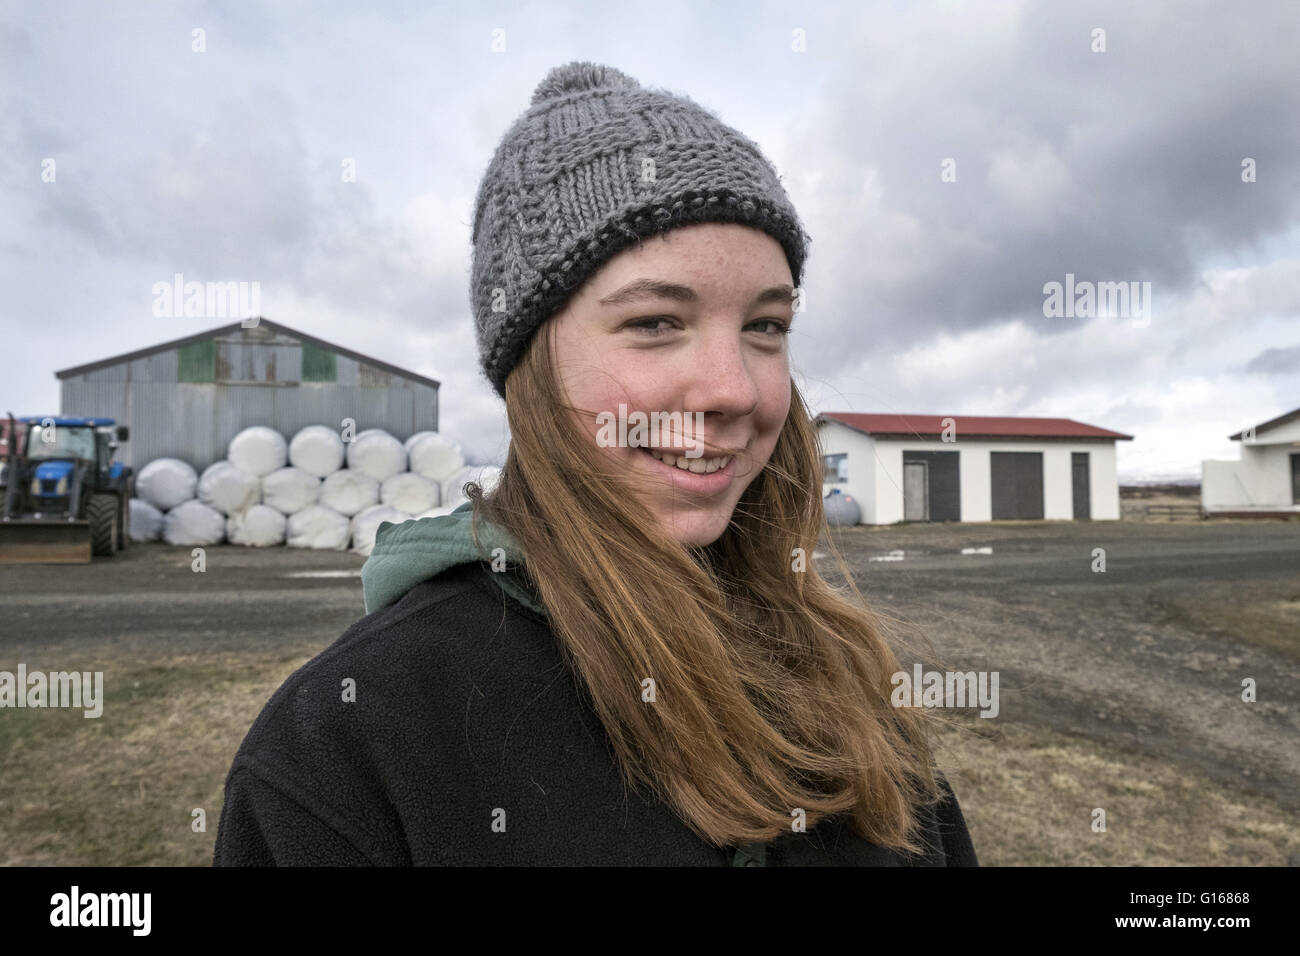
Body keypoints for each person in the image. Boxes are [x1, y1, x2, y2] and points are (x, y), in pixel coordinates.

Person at [213, 60, 978, 866]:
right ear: (531, 366)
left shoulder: (841, 678)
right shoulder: (348, 748)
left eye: (765, 326)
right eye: (655, 322)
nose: (733, 389)